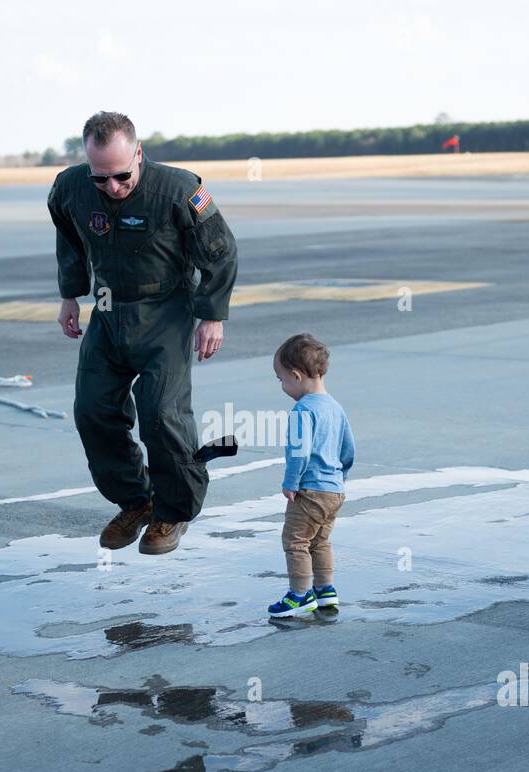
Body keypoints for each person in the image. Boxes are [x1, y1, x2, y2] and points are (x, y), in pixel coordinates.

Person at [47, 111, 238, 555]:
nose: (111, 187)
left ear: (138, 152)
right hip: (108, 309)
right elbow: (69, 237)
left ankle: (173, 513)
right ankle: (136, 501)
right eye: (101, 179)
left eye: (121, 176)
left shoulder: (180, 190)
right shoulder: (70, 187)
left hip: (165, 311)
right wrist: (70, 295)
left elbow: (221, 252)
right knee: (92, 411)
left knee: (160, 415)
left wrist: (213, 314)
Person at [268, 333, 355, 618]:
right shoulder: (335, 407)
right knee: (320, 540)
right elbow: (347, 449)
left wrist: (291, 483)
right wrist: (340, 479)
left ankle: (300, 594)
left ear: (296, 376)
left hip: (309, 490)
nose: (282, 385)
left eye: (281, 379)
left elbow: (299, 453)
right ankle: (325, 589)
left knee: (295, 541)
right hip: (334, 490)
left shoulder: (302, 410)